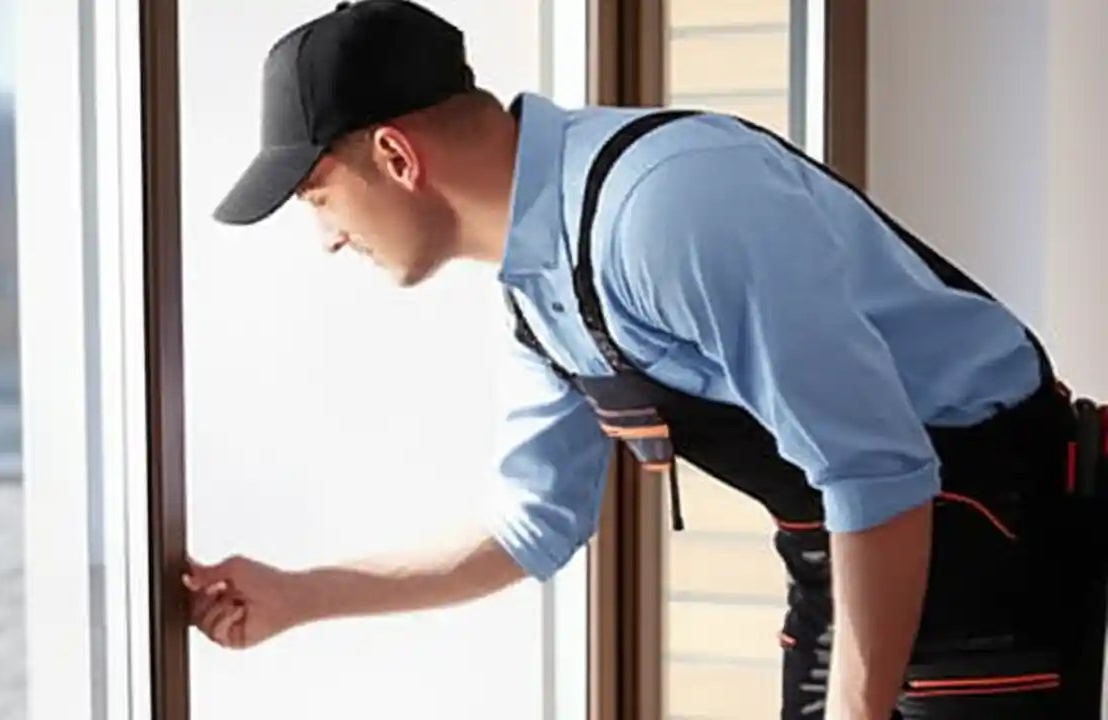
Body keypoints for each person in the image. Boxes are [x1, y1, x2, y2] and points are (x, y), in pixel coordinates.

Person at [183, 2, 1106, 718]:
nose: (327, 241)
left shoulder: (664, 211)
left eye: (314, 197)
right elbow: (529, 528)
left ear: (395, 155)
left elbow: (878, 465)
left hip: (989, 535)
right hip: (849, 553)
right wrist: (300, 597)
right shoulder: (541, 286)